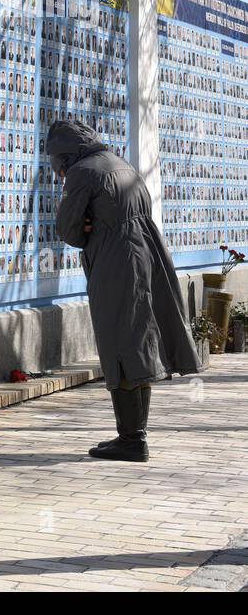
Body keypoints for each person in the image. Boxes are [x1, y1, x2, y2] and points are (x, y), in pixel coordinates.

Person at [48, 119, 203, 462]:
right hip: (145, 254)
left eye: (56, 163)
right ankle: (133, 434)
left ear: (63, 156)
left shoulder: (81, 173)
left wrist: (85, 225)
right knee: (136, 339)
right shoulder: (120, 164)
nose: (57, 171)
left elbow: (69, 230)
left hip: (115, 261)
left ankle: (131, 439)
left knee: (120, 343)